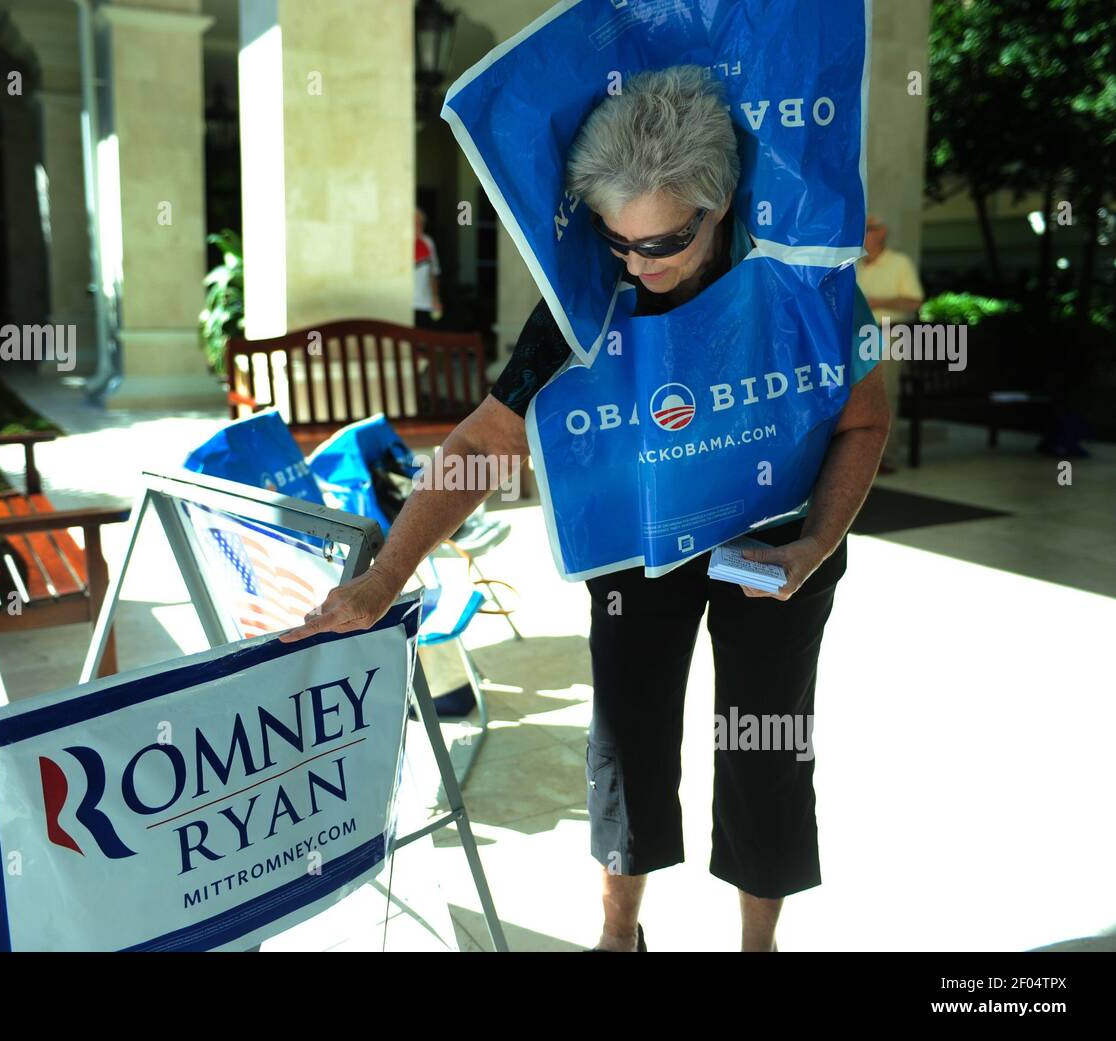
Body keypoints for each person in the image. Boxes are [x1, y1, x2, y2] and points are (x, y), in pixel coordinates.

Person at [282, 66, 889, 952]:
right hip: (639, 539)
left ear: (717, 209)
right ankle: (618, 937)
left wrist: (815, 543)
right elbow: (487, 440)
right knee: (629, 738)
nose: (640, 266)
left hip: (776, 537)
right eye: (619, 243)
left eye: (665, 244)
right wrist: (383, 578)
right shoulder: (586, 300)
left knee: (764, 743)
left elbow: (865, 417)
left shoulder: (804, 278)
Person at [856, 214, 924, 472]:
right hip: (858, 335)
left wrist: (877, 302)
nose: (863, 233)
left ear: (882, 233)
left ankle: (886, 456)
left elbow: (914, 302)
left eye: (868, 229)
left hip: (890, 333)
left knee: (885, 394)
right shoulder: (856, 264)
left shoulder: (899, 263)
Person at [413, 207, 443, 327]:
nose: (419, 227)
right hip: (402, 306)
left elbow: (434, 274)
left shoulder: (428, 242)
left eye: (421, 223)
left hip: (425, 304)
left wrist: (436, 298)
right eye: (415, 223)